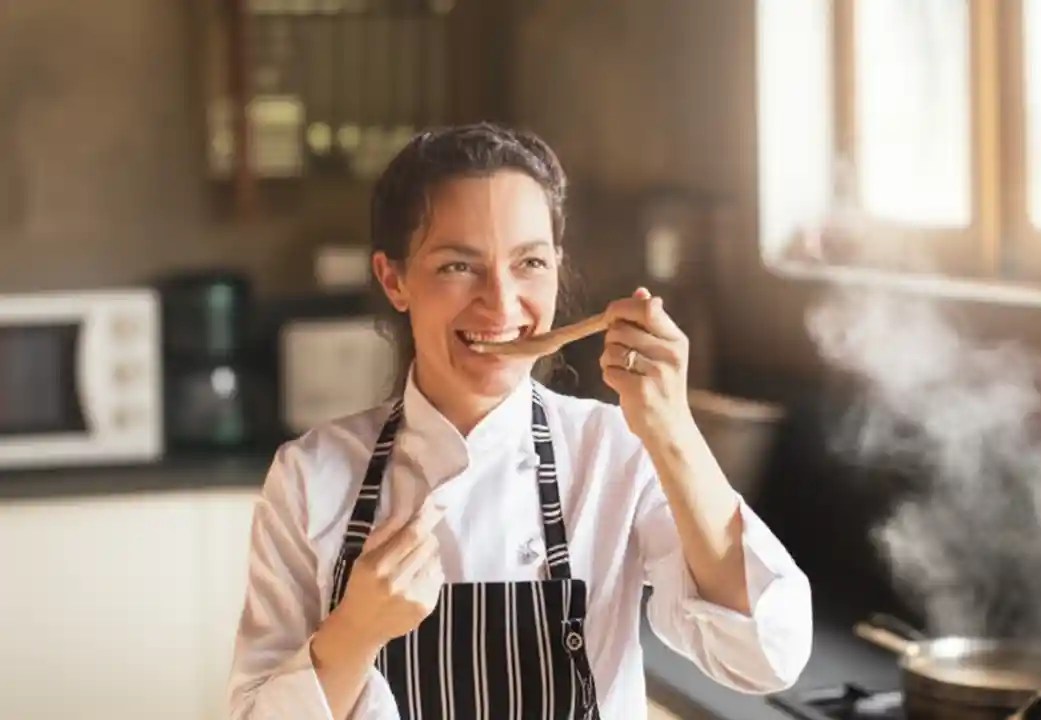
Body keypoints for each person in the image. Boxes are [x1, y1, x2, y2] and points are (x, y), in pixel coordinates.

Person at [227, 122, 812, 719]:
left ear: (557, 266)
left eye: (529, 262)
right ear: (394, 279)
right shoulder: (310, 477)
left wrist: (673, 431)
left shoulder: (615, 451)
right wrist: (353, 635)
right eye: (458, 266)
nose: (502, 303)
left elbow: (765, 656)